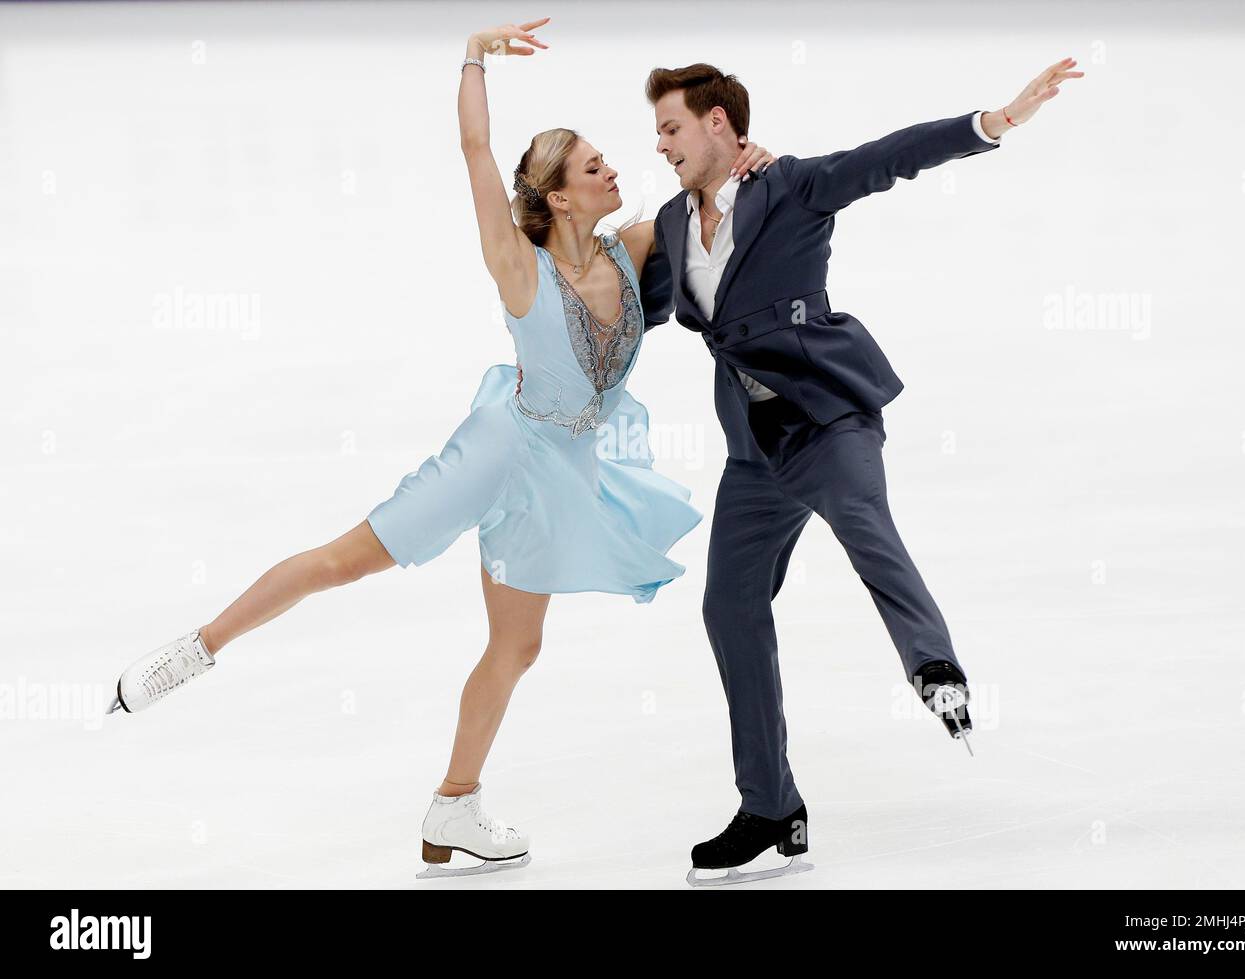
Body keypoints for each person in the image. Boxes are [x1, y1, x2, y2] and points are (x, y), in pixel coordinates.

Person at [104, 18, 776, 879]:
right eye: (593, 165)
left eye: (610, 158)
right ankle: (196, 647)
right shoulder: (520, 266)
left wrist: (752, 158)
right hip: (499, 451)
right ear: (561, 197)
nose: (615, 168)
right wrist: (472, 54)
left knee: (517, 647)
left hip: (561, 474)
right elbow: (475, 149)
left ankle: (453, 805)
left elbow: (717, 195)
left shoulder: (635, 244)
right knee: (344, 561)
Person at [636, 59, 1083, 884]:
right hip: (753, 445)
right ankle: (771, 807)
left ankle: (934, 666)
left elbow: (888, 156)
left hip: (827, 413)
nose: (659, 143)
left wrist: (995, 120)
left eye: (670, 127)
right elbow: (638, 301)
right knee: (729, 605)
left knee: (861, 517)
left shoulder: (793, 185)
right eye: (657, 130)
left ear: (720, 126)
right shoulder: (669, 222)